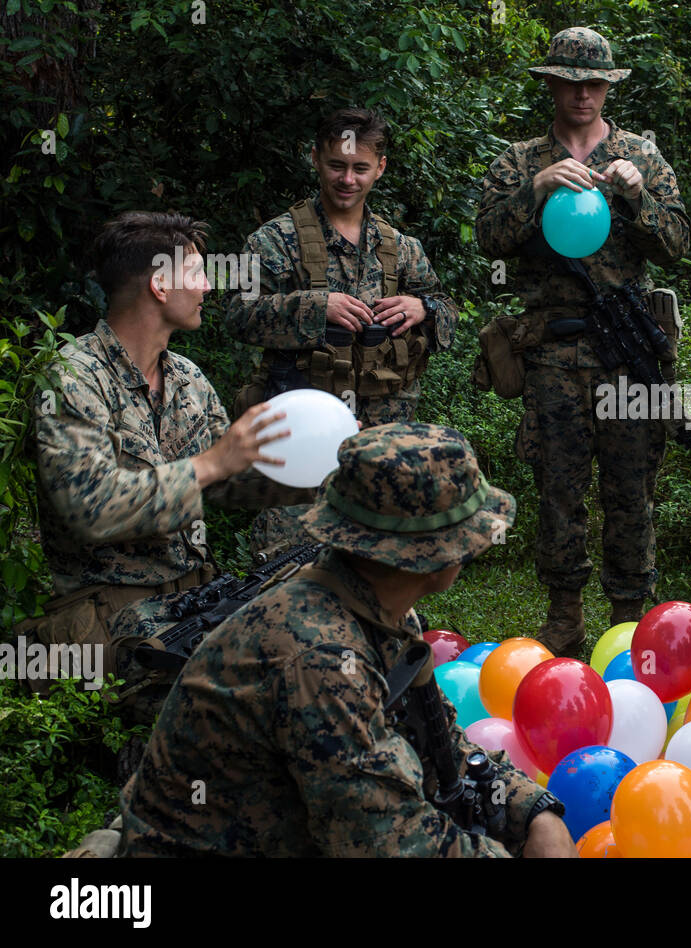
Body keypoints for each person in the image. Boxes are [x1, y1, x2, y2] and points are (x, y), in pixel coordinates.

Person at [119, 423, 576, 858]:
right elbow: (389, 841)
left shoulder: (377, 608)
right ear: (435, 558)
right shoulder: (321, 657)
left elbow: (439, 744)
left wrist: (533, 811)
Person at [22, 211, 307, 723]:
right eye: (196, 273)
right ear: (159, 285)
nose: (206, 287)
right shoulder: (72, 379)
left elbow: (226, 486)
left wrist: (314, 472)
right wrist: (211, 463)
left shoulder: (187, 378)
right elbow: (91, 510)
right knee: (236, 715)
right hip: (109, 621)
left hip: (193, 598)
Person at [475, 27, 691, 655]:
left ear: (608, 86)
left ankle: (629, 618)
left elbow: (679, 243)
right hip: (553, 349)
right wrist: (535, 191)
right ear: (550, 84)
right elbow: (488, 238)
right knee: (558, 483)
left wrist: (638, 198)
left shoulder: (642, 156)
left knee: (632, 485)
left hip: (626, 349)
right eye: (569, 82)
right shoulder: (519, 161)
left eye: (594, 82)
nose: (582, 94)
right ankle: (564, 612)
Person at [226, 108, 457, 431]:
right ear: (315, 159)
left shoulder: (402, 247)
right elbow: (238, 314)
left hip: (384, 432)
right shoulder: (273, 240)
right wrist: (316, 307)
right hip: (302, 426)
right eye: (337, 165)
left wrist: (424, 307)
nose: (347, 180)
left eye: (360, 168)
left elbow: (448, 311)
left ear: (380, 168)